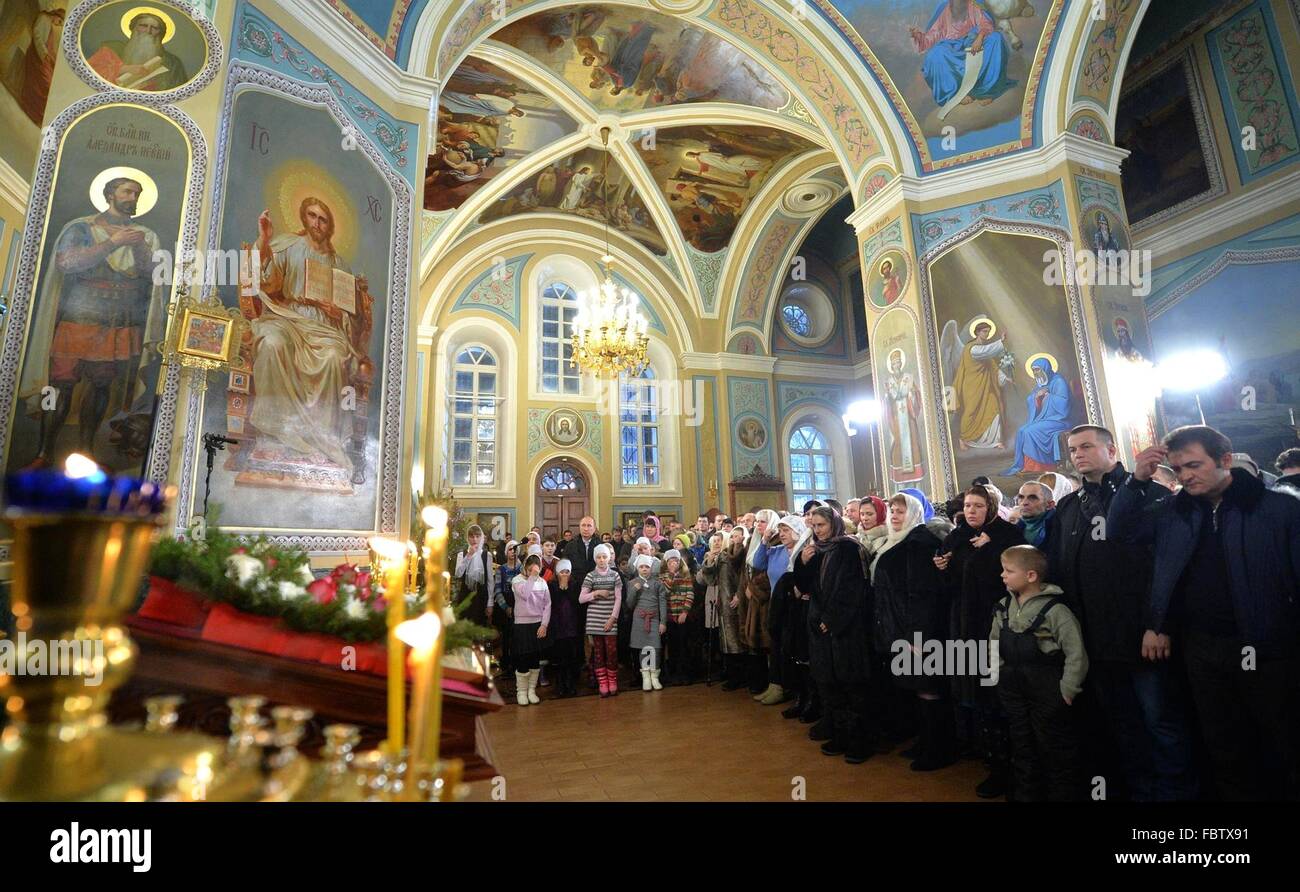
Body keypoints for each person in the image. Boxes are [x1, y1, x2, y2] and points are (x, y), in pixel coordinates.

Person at [1111, 426, 1300, 801]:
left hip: (1268, 647)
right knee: (1224, 744)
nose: (1185, 476)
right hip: (1202, 649)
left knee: (1283, 741)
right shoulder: (1175, 512)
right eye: (1178, 469)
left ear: (1225, 461)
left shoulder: (1278, 508)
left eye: (1194, 465)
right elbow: (1119, 530)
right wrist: (1134, 481)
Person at [1045, 424, 1197, 801]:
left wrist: (1157, 625)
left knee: (1161, 722)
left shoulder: (1152, 495)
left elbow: (1166, 568)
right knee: (1122, 725)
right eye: (1072, 449)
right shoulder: (1068, 508)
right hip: (1094, 638)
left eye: (1086, 446)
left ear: (1112, 450)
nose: (1077, 454)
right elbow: (1061, 569)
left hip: (1143, 637)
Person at [19, 176, 166, 467]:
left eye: (137, 193)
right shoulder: (81, 227)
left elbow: (153, 275)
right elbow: (68, 263)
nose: (133, 197)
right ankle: (43, 453)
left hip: (118, 322)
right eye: (127, 191)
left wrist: (137, 249)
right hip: (79, 316)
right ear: (110, 194)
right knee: (62, 384)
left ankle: (86, 452)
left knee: (101, 385)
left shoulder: (144, 235)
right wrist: (113, 243)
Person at [249, 198, 361, 472]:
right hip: (286, 315)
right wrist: (264, 240)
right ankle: (276, 429)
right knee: (272, 343)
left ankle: (323, 436)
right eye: (311, 216)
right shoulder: (288, 246)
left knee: (335, 357)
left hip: (324, 327)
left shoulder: (340, 265)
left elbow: (352, 316)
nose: (316, 223)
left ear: (330, 226)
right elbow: (263, 279)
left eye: (323, 219)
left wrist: (338, 312)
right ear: (303, 218)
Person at [936, 485, 1025, 797]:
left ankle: (1007, 767)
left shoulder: (1006, 535)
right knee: (974, 694)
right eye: (968, 506)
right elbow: (951, 585)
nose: (971, 511)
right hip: (962, 624)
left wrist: (990, 550)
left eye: (978, 505)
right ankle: (984, 754)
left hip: (995, 627)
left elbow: (1013, 581)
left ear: (992, 506)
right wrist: (943, 569)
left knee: (997, 696)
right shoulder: (957, 537)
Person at [990, 545, 1088, 801]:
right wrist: (997, 672)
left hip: (1047, 689)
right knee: (1021, 744)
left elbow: (1076, 653)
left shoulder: (1057, 611)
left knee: (1053, 747)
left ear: (1031, 576)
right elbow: (993, 642)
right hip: (1012, 686)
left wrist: (1068, 689)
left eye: (1009, 571)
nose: (1002, 575)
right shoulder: (1003, 607)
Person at [872, 492, 954, 770]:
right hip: (901, 628)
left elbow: (924, 594)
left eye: (900, 511)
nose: (894, 516)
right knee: (916, 689)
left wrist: (917, 635)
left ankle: (938, 749)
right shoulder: (895, 541)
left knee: (928, 689)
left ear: (915, 514)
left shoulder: (919, 544)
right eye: (892, 511)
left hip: (919, 632)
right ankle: (925, 741)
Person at [805, 506, 874, 764]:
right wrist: (803, 562)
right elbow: (806, 587)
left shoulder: (847, 548)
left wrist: (831, 620)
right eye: (814, 526)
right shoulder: (817, 550)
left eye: (821, 525)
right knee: (831, 684)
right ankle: (841, 734)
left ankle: (860, 740)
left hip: (846, 628)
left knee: (853, 686)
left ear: (834, 524)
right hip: (822, 628)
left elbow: (852, 589)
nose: (817, 530)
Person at [86, 11, 190, 91]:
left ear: (160, 34)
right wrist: (123, 69)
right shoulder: (112, 48)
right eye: (143, 26)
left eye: (154, 28)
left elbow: (179, 90)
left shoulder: (172, 63)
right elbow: (90, 73)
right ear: (133, 28)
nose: (148, 31)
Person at [743, 509, 779, 699]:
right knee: (756, 641)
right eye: (756, 521)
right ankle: (761, 682)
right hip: (754, 598)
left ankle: (774, 684)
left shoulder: (776, 541)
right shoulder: (753, 541)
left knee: (770, 642)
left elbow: (770, 571)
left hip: (767, 596)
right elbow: (749, 568)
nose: (758, 525)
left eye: (763, 521)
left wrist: (754, 587)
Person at [579, 544, 623, 697]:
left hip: (610, 618)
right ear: (595, 559)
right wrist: (596, 593)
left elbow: (618, 598)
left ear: (609, 558)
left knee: (611, 652)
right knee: (598, 653)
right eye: (599, 557)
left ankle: (612, 681)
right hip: (595, 620)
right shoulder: (590, 576)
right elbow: (581, 598)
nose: (602, 560)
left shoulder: (615, 575)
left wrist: (613, 618)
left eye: (604, 557)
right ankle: (602, 682)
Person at [510, 555, 551, 707]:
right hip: (522, 624)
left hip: (537, 624)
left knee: (535, 657)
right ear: (525, 568)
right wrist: (532, 578)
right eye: (530, 569)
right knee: (523, 656)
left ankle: (531, 690)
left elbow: (547, 605)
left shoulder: (543, 582)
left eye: (537, 570)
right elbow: (525, 595)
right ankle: (521, 691)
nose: (534, 572)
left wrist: (544, 624)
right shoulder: (517, 580)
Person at [626, 554, 668, 691]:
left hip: (654, 619)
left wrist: (663, 622)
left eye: (647, 567)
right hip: (639, 620)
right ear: (637, 568)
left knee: (655, 647)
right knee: (643, 648)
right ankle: (645, 677)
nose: (644, 569)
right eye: (642, 567)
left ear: (651, 568)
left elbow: (662, 603)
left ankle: (654, 676)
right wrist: (634, 591)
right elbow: (629, 604)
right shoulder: (632, 583)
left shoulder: (657, 583)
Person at [547, 559, 582, 697]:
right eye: (562, 572)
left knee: (572, 657)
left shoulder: (575, 585)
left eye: (567, 572)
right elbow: (551, 604)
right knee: (560, 658)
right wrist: (561, 589)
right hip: (558, 627)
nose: (565, 575)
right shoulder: (551, 586)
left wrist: (567, 589)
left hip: (572, 626)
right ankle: (560, 685)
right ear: (557, 573)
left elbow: (577, 603)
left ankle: (571, 683)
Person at [660, 549, 695, 685]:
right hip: (669, 617)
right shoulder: (662, 577)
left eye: (676, 561)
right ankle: (673, 674)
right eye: (670, 561)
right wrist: (671, 576)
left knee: (683, 646)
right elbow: (665, 592)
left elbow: (690, 594)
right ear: (666, 563)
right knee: (672, 646)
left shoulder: (686, 576)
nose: (673, 563)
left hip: (682, 616)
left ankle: (685, 674)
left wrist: (685, 612)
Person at [452, 524, 495, 626]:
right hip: (465, 597)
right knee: (464, 630)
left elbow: (490, 581)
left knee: (480, 629)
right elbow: (458, 574)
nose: (474, 539)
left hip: (481, 598)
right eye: (471, 536)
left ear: (481, 537)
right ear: (468, 538)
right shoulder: (462, 554)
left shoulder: (487, 555)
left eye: (477, 536)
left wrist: (490, 603)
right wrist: (469, 555)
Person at [490, 540, 522, 675]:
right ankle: (506, 663)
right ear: (506, 552)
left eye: (515, 550)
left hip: (520, 606)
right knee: (506, 637)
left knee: (518, 636)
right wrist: (506, 607)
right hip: (506, 605)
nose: (512, 552)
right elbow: (497, 590)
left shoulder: (522, 568)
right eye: (510, 549)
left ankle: (518, 663)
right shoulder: (501, 569)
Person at [1013, 481, 1056, 548]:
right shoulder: (1015, 528)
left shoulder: (1060, 528)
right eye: (1021, 497)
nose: (1024, 502)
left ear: (1050, 505)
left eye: (1032, 498)